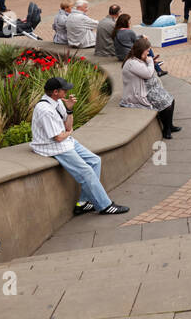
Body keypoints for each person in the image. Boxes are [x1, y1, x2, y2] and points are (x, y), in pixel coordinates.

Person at [31, 75, 128, 216]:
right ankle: (105, 206)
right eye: (64, 89)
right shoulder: (45, 110)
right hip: (51, 146)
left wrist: (69, 110)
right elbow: (58, 137)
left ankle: (83, 203)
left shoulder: (57, 102)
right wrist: (69, 132)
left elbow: (67, 125)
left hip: (65, 141)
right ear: (55, 92)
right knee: (86, 172)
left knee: (95, 161)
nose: (67, 92)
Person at [120, 36, 178, 139]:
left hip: (148, 89)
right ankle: (166, 130)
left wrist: (149, 62)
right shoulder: (132, 63)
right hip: (139, 93)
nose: (148, 53)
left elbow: (145, 70)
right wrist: (151, 62)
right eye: (147, 51)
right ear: (141, 50)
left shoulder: (137, 59)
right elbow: (148, 74)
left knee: (171, 100)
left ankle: (170, 125)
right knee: (167, 105)